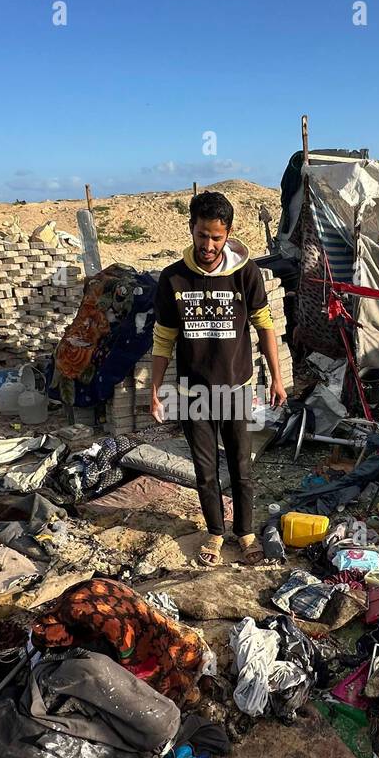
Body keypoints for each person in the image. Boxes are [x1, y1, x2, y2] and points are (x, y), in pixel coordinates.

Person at [150, 191, 286, 566]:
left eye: (215, 237)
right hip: (192, 393)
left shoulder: (245, 273)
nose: (207, 245)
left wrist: (276, 378)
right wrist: (156, 389)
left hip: (237, 389)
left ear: (228, 234)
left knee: (242, 468)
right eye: (201, 235)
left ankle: (244, 532)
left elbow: (264, 325)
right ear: (191, 229)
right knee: (205, 471)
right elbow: (164, 338)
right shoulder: (173, 278)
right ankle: (214, 532)